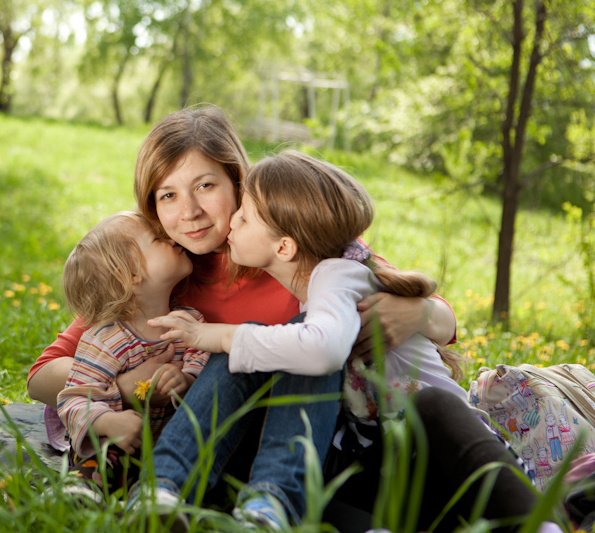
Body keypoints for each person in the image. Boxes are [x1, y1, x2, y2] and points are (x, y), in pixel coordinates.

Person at [143, 150, 560, 532]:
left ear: (285, 246)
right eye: (168, 195)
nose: (232, 220)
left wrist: (215, 335)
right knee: (318, 465)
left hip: (438, 460)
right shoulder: (188, 269)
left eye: (244, 217)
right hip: (378, 459)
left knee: (431, 403)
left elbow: (322, 348)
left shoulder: (337, 273)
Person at [27, 104, 458, 438]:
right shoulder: (157, 274)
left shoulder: (288, 250)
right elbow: (43, 376)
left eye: (205, 186)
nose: (189, 212)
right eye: (168, 196)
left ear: (238, 180)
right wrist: (126, 385)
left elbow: (441, 319)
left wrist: (420, 313)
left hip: (316, 427)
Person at [56, 211, 209, 497]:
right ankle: (82, 491)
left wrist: (186, 380)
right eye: (156, 238)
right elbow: (73, 400)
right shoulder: (104, 341)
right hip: (120, 445)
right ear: (131, 275)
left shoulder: (190, 323)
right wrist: (108, 421)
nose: (169, 237)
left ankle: (158, 492)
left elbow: (205, 368)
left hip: (170, 448)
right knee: (104, 455)